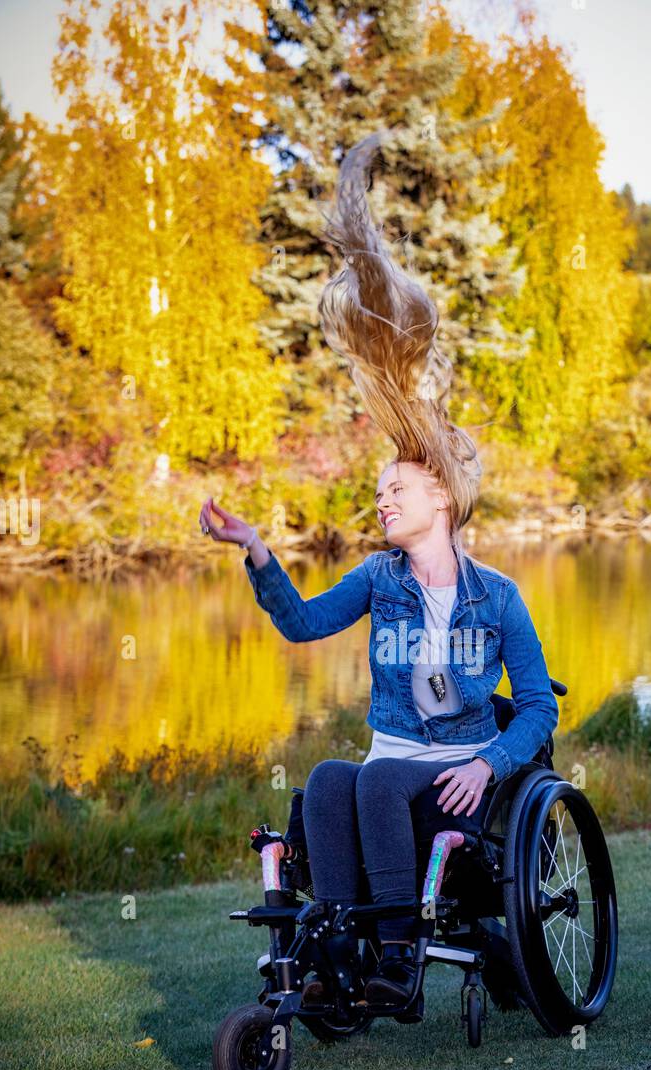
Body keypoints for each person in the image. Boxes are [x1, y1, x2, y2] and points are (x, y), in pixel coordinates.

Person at [198, 131, 558, 1015]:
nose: (382, 501)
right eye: (378, 492)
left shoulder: (498, 597)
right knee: (328, 777)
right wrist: (258, 554)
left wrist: (490, 761)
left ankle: (398, 959)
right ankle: (341, 956)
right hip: (393, 770)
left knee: (383, 777)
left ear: (442, 496)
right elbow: (302, 625)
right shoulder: (378, 578)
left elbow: (541, 705)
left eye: (395, 489)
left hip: (462, 784)